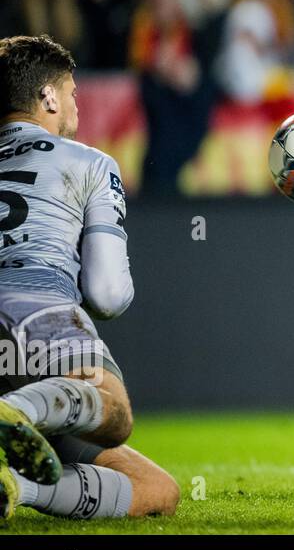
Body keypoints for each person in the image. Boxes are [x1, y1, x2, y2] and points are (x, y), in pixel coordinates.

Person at [0, 34, 179, 521]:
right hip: (40, 307)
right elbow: (108, 293)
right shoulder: (88, 161)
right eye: (73, 92)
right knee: (114, 413)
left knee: (156, 490)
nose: (76, 102)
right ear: (49, 97)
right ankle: (21, 410)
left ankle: (14, 484)